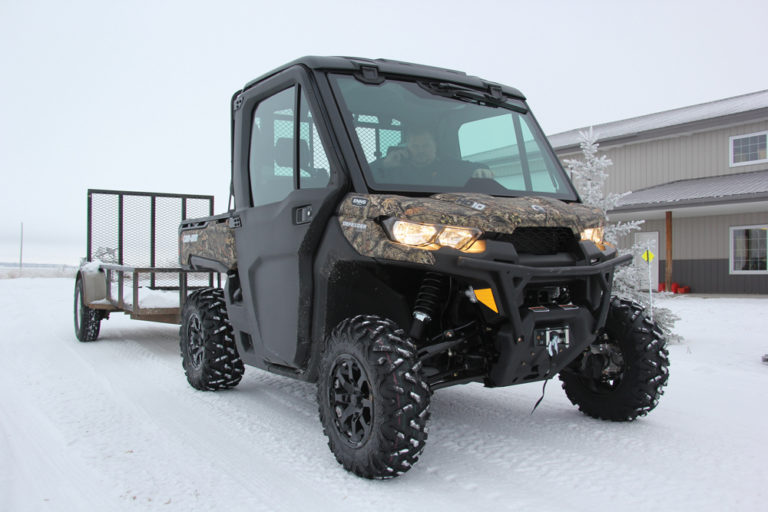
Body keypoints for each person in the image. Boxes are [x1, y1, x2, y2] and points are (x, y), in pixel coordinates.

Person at [372, 128, 493, 186]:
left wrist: (482, 169)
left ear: (435, 146)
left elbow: (475, 167)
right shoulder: (394, 168)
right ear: (407, 147)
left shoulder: (447, 165)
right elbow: (363, 176)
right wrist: (384, 165)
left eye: (426, 146)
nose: (421, 150)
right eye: (415, 146)